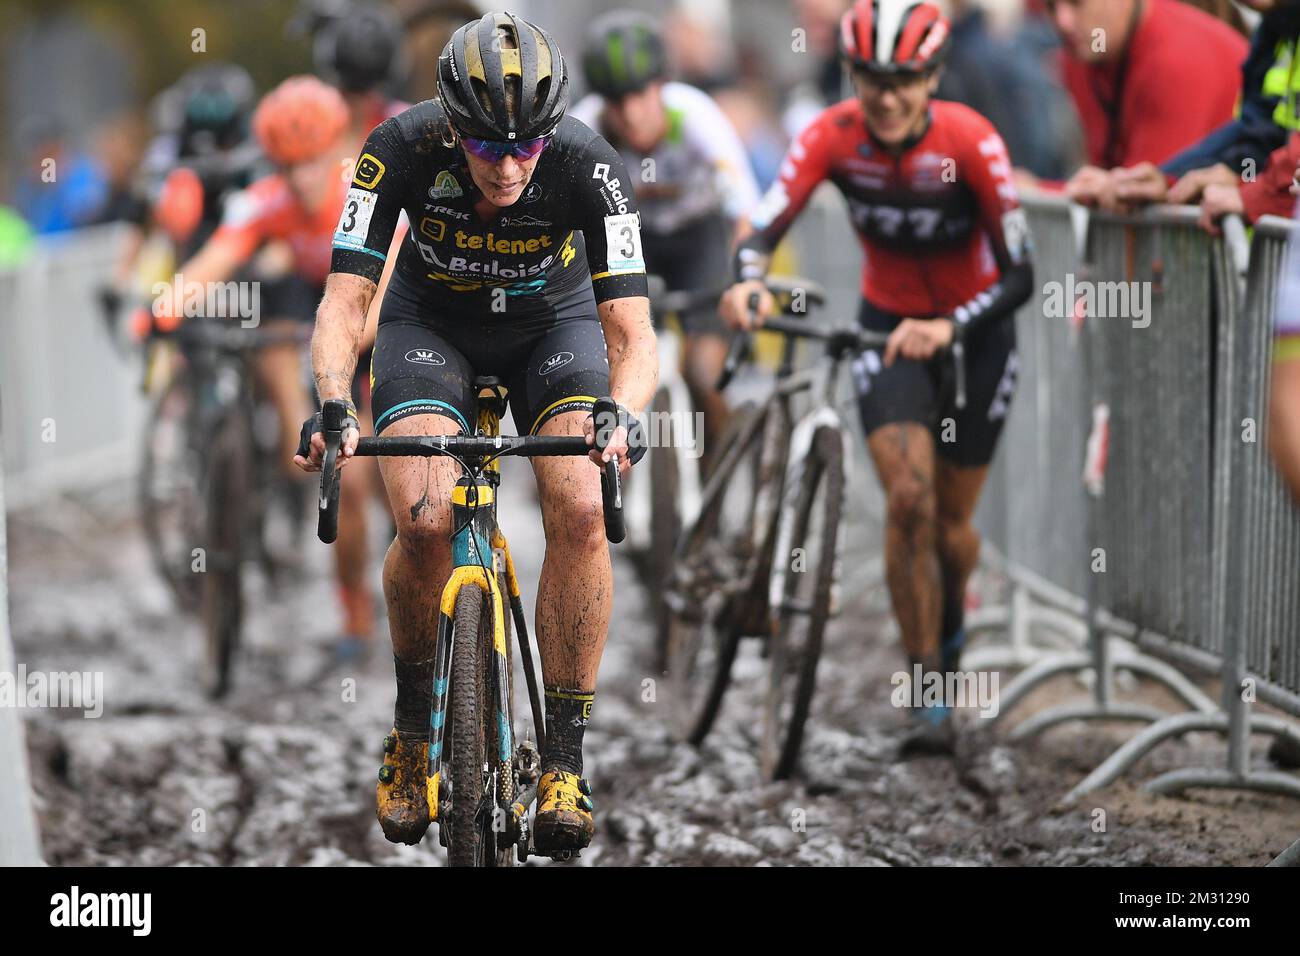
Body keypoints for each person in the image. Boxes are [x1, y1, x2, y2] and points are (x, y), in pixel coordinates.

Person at [294, 12, 656, 856]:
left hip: (552, 329)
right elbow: (345, 302)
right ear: (451, 126)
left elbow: (633, 332)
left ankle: (564, 758)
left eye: (527, 146)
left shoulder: (588, 164)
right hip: (432, 327)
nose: (509, 164)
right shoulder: (398, 147)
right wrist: (334, 401)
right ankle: (413, 734)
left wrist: (623, 413)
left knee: (580, 511)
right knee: (422, 522)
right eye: (488, 147)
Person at [720, 0, 1033, 756]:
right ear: (852, 74)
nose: (887, 97)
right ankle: (927, 688)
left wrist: (952, 326)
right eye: (871, 79)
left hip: (974, 337)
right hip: (886, 332)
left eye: (905, 80)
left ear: (932, 75)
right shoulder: (832, 136)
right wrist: (748, 280)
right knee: (907, 500)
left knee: (953, 535)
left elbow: (1022, 272)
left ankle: (951, 623)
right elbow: (762, 228)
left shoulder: (971, 141)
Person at [142, 76, 398, 656]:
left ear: (340, 148)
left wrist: (340, 342)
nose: (301, 178)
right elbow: (215, 258)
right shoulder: (269, 199)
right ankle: (353, 612)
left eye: (312, 162)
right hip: (307, 312)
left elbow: (387, 295)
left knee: (376, 479)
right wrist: (162, 310)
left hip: (371, 323)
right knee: (339, 467)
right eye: (288, 167)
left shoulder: (369, 197)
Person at [570, 9, 760, 467]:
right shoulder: (584, 126)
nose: (631, 112)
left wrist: (744, 278)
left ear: (661, 85)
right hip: (627, 242)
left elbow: (744, 212)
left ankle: (718, 469)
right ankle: (618, 478)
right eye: (616, 100)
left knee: (702, 369)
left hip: (699, 241)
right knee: (611, 374)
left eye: (639, 93)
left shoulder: (693, 114)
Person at [1047, 0, 1248, 207]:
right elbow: (1108, 184)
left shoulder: (1175, 57)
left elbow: (1136, 196)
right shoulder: (1085, 56)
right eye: (1050, 5)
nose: (1063, 22)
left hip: (1236, 228)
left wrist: (1036, 190)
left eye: (1078, 2)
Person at [1108, 1, 1300, 212]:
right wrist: (1170, 178)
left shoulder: (1173, 50)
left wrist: (1255, 195)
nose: (1065, 22)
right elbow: (1257, 136)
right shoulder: (1276, 31)